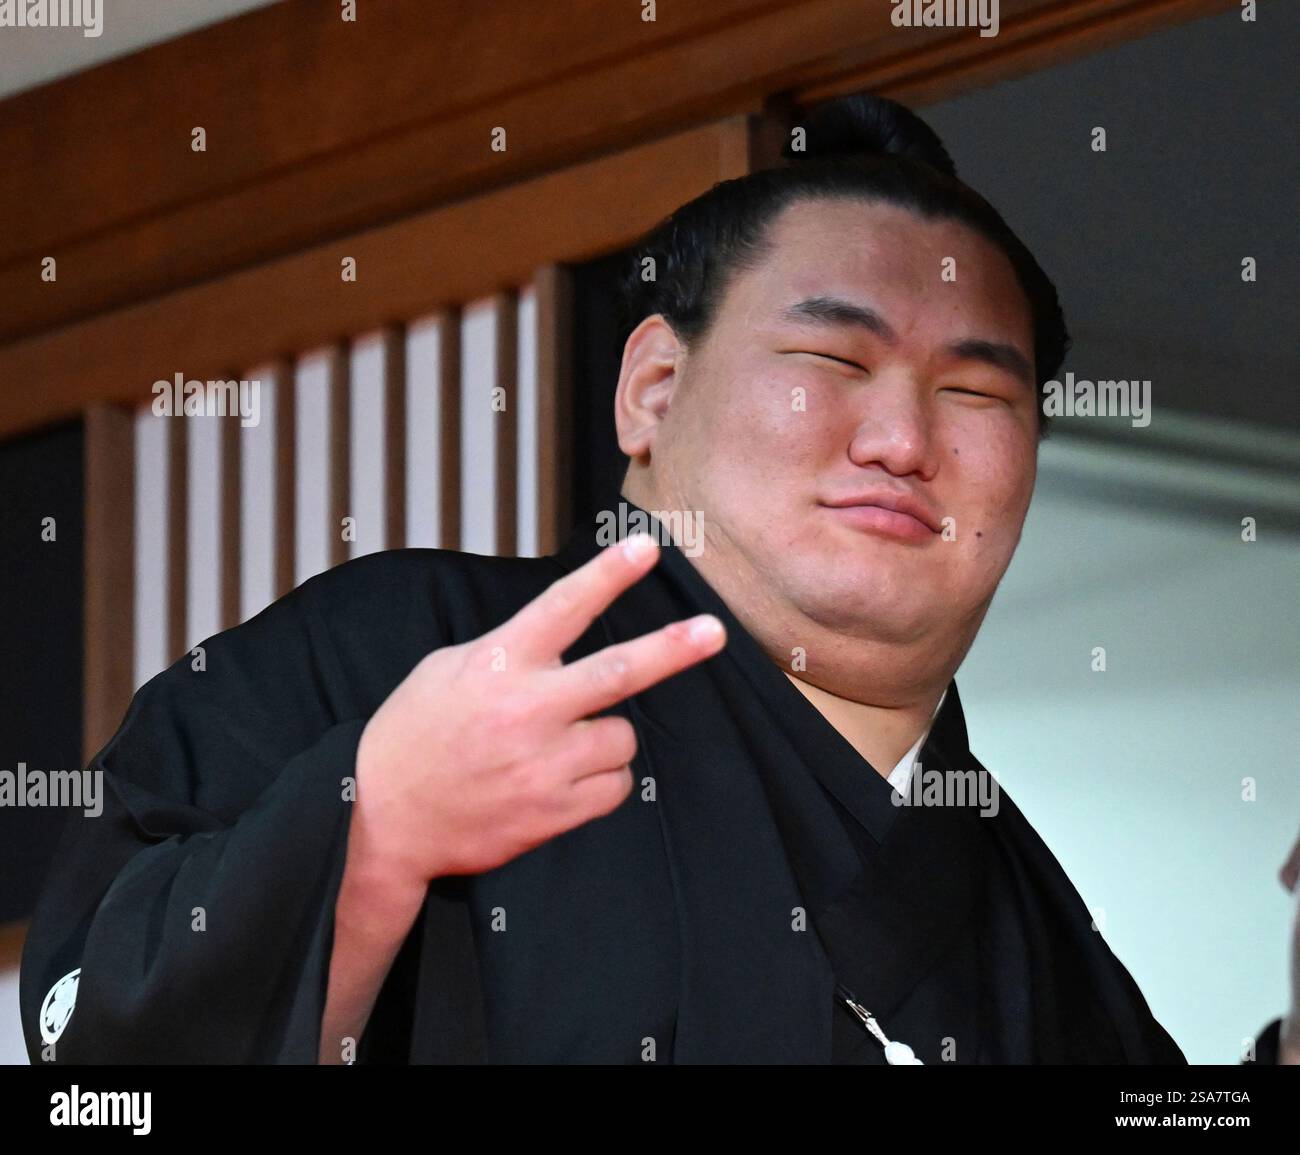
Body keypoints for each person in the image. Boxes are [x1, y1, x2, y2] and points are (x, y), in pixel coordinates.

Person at [20, 94, 1296, 1065]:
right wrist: (376, 826)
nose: (903, 441)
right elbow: (91, 1058)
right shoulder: (405, 646)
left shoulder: (1015, 903)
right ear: (652, 386)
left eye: (973, 392)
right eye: (832, 361)